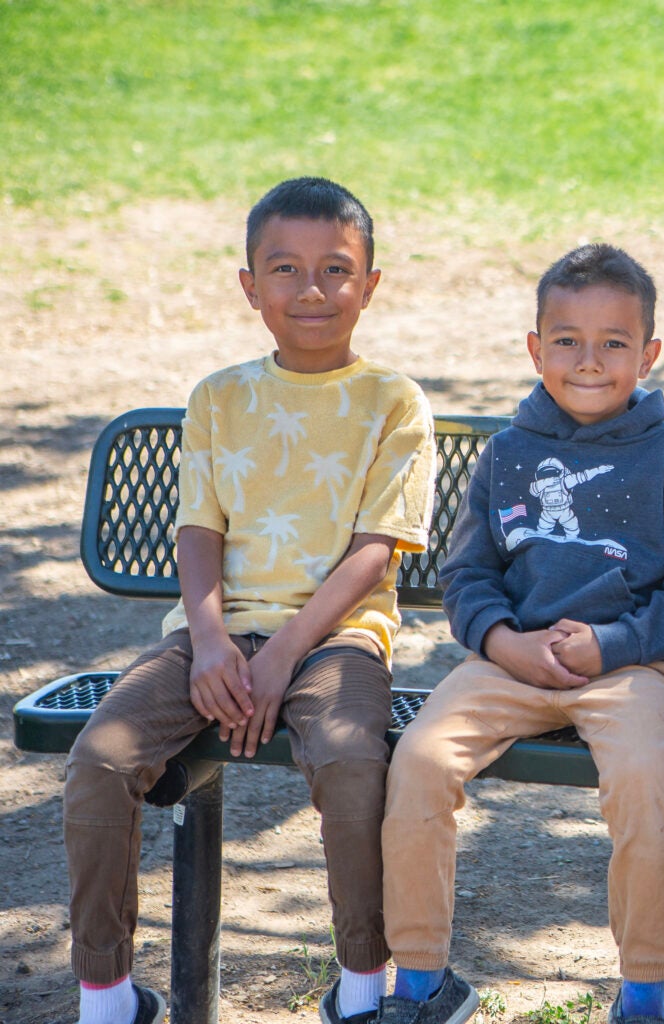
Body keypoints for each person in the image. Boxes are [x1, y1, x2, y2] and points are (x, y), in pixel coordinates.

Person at [63, 176, 437, 1024]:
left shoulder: (393, 401)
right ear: (249, 286)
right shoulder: (220, 397)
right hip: (212, 640)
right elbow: (199, 531)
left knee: (349, 763)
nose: (311, 290)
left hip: (338, 639)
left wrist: (281, 656)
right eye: (285, 269)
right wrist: (209, 639)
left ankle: (360, 989)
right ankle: (109, 995)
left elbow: (374, 550)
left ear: (370, 285)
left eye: (336, 270)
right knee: (99, 762)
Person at [378, 244, 664, 1024]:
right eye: (566, 340)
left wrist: (614, 645)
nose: (589, 361)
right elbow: (465, 575)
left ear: (650, 354)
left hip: (628, 669)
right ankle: (422, 981)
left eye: (614, 342)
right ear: (536, 348)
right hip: (507, 663)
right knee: (418, 762)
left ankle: (642, 992)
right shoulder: (507, 455)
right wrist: (504, 643)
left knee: (648, 781)